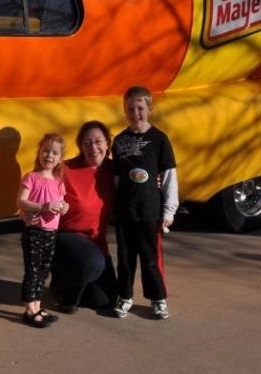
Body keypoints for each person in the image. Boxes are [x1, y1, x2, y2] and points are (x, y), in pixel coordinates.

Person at [110, 85, 179, 320]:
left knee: (151, 259)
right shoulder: (119, 141)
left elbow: (169, 176)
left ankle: (158, 299)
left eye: (140, 108)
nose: (135, 113)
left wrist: (169, 210)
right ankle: (125, 296)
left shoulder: (159, 139)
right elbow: (116, 178)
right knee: (125, 258)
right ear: (124, 110)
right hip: (125, 212)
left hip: (150, 211)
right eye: (130, 109)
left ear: (149, 108)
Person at [49, 120, 118, 313]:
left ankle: (74, 277)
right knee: (92, 264)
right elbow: (41, 180)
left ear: (107, 143)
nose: (93, 147)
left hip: (97, 240)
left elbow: (140, 177)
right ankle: (65, 296)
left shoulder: (115, 169)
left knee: (105, 300)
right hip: (67, 235)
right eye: (87, 143)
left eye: (98, 141)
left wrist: (154, 180)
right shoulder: (66, 169)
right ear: (80, 146)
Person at [16, 132, 68, 328]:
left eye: (55, 153)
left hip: (51, 232)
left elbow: (61, 202)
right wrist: (42, 207)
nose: (49, 156)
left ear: (60, 158)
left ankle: (37, 305)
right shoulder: (31, 177)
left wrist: (65, 207)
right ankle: (29, 310)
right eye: (46, 151)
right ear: (39, 153)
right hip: (34, 231)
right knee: (33, 270)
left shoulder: (58, 181)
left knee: (44, 271)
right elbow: (21, 201)